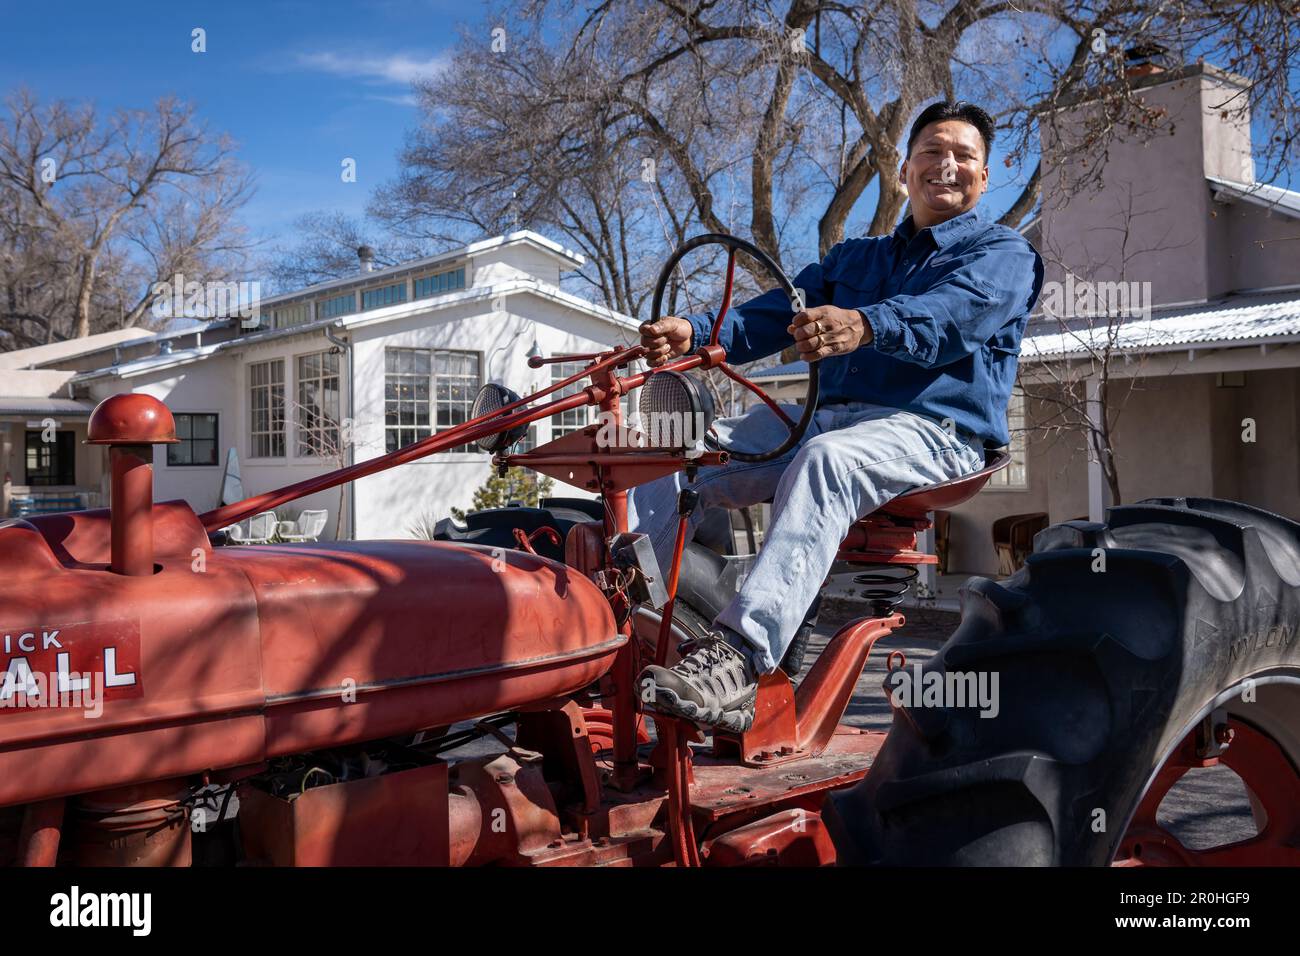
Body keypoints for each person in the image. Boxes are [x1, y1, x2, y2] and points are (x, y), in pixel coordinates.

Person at [630, 100, 1045, 733]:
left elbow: (950, 318)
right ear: (905, 169)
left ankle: (741, 656)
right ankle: (661, 614)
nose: (947, 165)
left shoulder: (1003, 254)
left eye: (965, 156)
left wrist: (866, 323)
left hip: (940, 432)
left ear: (984, 178)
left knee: (828, 462)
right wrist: (695, 330)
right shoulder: (856, 260)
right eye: (932, 151)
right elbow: (774, 314)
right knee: (671, 448)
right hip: (834, 419)